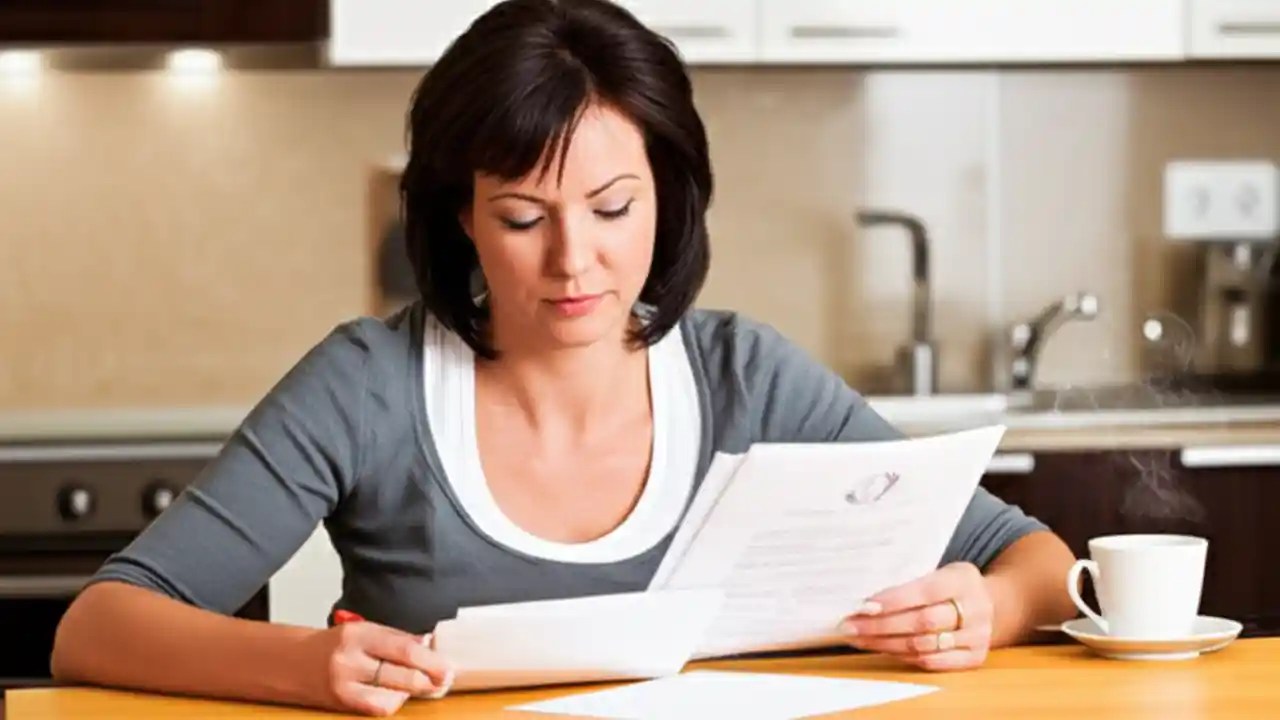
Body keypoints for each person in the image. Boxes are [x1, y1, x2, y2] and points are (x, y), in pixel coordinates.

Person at [50, 0, 1078, 716]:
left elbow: (1036, 560)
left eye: (613, 208)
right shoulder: (366, 386)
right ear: (459, 219)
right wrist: (304, 664)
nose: (574, 260)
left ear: (668, 196)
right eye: (521, 216)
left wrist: (983, 609)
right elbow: (97, 629)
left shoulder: (744, 378)